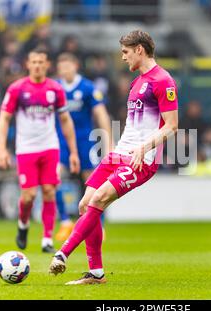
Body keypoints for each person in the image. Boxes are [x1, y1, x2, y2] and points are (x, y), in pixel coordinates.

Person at [48, 30, 179, 284]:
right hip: (121, 153)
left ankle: (62, 254)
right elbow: (135, 125)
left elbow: (172, 125)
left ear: (139, 49)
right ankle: (96, 273)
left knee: (99, 198)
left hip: (143, 158)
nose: (123, 57)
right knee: (85, 204)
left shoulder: (163, 80)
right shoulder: (137, 81)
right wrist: (117, 147)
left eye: (125, 52)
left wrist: (143, 148)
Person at [0, 48, 80, 253]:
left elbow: (65, 120)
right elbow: (4, 119)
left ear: (47, 65)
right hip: (26, 149)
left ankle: (47, 239)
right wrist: (1, 149)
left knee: (50, 191)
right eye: (34, 62)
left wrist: (73, 152)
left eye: (41, 62)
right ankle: (23, 225)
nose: (37, 66)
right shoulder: (17, 89)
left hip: (49, 147)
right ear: (28, 64)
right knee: (28, 196)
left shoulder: (55, 89)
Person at [54, 53, 113, 242]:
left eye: (67, 65)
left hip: (85, 141)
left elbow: (101, 114)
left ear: (75, 65)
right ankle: (64, 221)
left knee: (93, 183)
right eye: (61, 66)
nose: (64, 69)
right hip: (62, 141)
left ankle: (98, 225)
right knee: (54, 178)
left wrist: (108, 142)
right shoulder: (55, 89)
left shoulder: (87, 87)